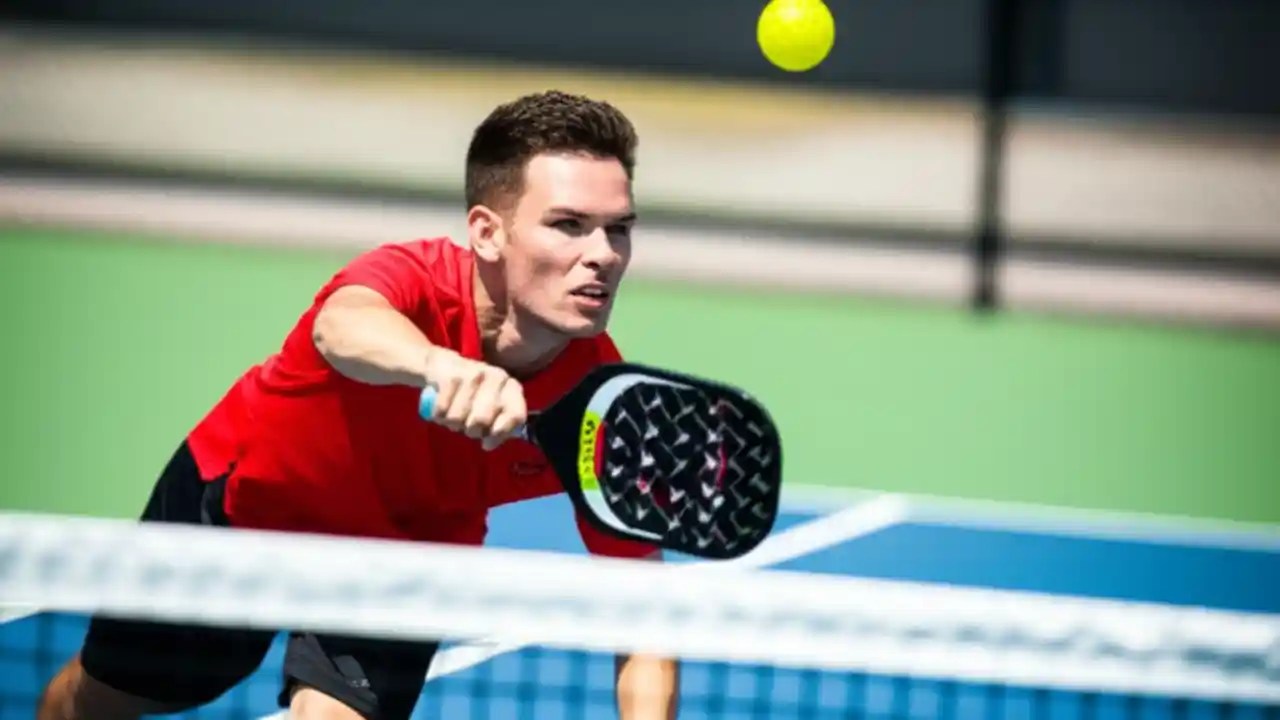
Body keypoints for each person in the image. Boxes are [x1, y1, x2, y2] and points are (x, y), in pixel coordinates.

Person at [37, 90, 679, 720]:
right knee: (103, 700)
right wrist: (441, 366)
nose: (603, 254)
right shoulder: (409, 278)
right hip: (242, 509)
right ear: (487, 232)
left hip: (405, 552)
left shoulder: (605, 402)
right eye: (569, 224)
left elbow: (643, 606)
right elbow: (342, 328)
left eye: (618, 229)